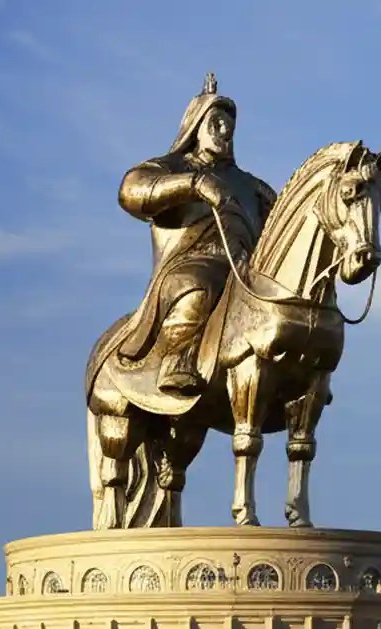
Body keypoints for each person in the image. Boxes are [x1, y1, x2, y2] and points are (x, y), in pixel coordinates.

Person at [115, 72, 276, 394]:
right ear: (196, 127)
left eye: (228, 126)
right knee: (197, 284)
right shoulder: (171, 166)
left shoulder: (252, 185)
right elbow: (132, 191)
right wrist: (192, 185)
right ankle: (179, 357)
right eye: (215, 123)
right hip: (193, 262)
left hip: (247, 269)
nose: (224, 131)